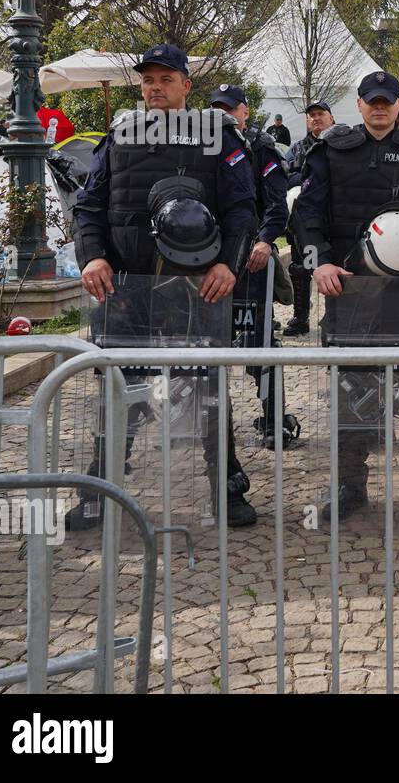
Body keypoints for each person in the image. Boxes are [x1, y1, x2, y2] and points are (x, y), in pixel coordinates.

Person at [69, 44, 259, 528]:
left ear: (186, 85)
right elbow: (89, 206)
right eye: (149, 79)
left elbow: (242, 210)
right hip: (126, 289)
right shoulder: (120, 136)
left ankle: (227, 488)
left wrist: (229, 265)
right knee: (119, 390)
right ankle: (100, 490)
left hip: (196, 289)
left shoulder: (219, 135)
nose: (155, 87)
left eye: (166, 79)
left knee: (208, 390)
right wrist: (91, 255)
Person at [290, 70, 399, 522]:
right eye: (372, 101)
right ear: (360, 105)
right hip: (352, 294)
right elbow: (305, 214)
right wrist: (319, 261)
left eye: (387, 101)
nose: (380, 108)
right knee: (353, 395)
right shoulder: (331, 151)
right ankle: (349, 486)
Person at [210, 84, 297, 447]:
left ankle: (274, 419)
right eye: (217, 107)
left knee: (257, 343)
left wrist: (264, 241)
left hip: (250, 260)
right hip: (209, 260)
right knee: (200, 348)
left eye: (231, 108)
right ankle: (207, 424)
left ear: (246, 111)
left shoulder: (261, 148)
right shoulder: (203, 143)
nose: (225, 113)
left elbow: (276, 204)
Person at [282, 101, 334, 336]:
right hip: (303, 220)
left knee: (337, 267)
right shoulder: (297, 149)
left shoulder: (342, 143)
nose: (316, 119)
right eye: (311, 115)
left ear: (331, 117)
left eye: (320, 114)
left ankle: (334, 316)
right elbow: (285, 176)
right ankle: (300, 317)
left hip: (335, 219)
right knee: (300, 268)